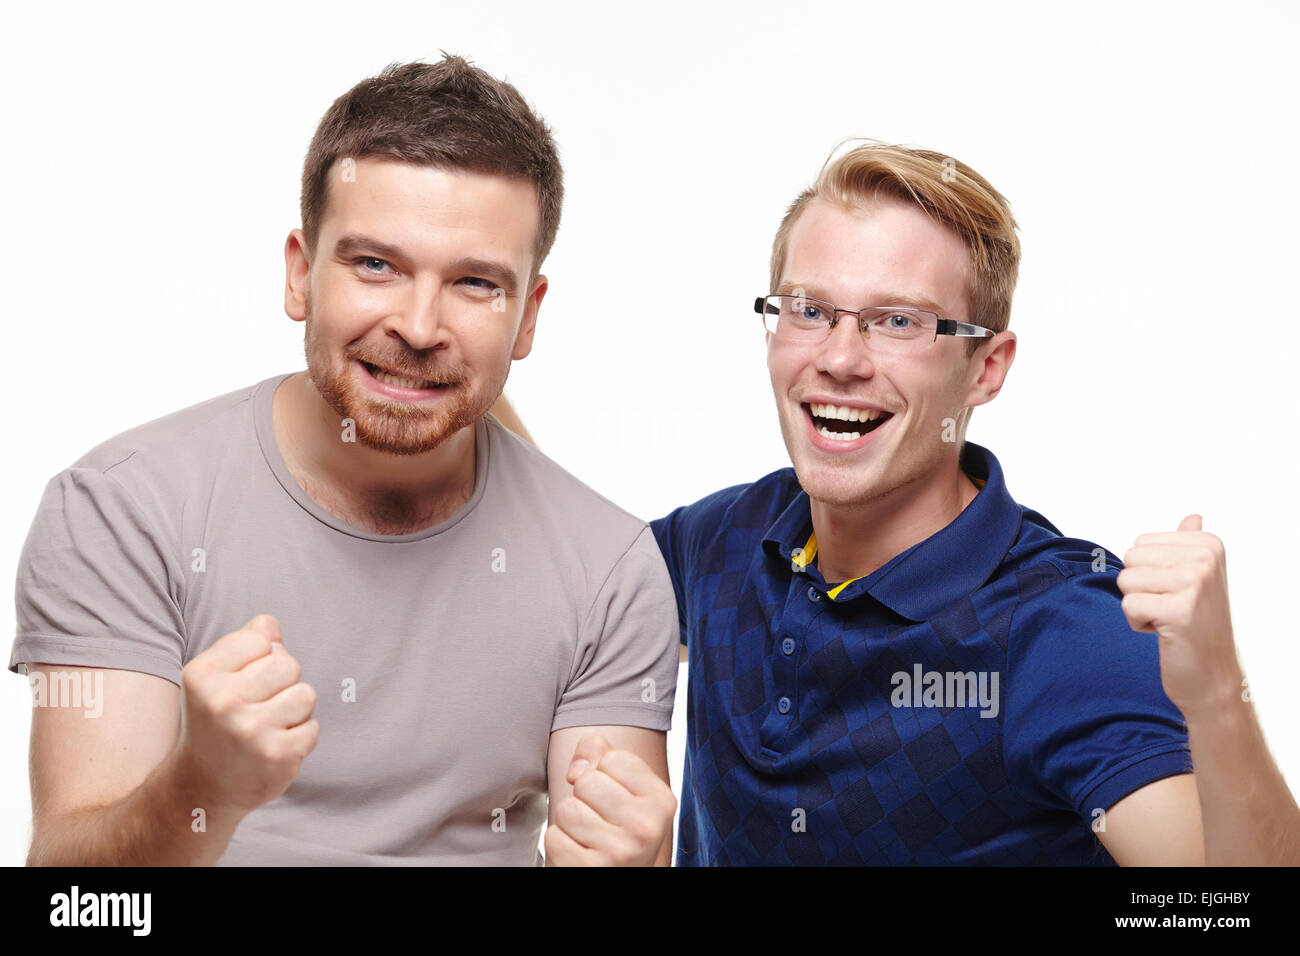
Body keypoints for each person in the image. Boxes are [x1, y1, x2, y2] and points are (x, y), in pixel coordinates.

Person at [494, 140, 1300, 864]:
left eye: (898, 321)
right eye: (809, 310)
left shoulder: (1063, 628)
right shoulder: (736, 536)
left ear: (987, 368)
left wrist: (1218, 694)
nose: (840, 358)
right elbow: (570, 556)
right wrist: (460, 365)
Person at [10, 56, 680, 866]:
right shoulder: (121, 511)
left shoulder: (609, 569)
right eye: (375, 265)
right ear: (300, 274)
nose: (420, 325)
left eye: (474, 282)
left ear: (528, 317)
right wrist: (201, 787)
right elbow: (75, 907)